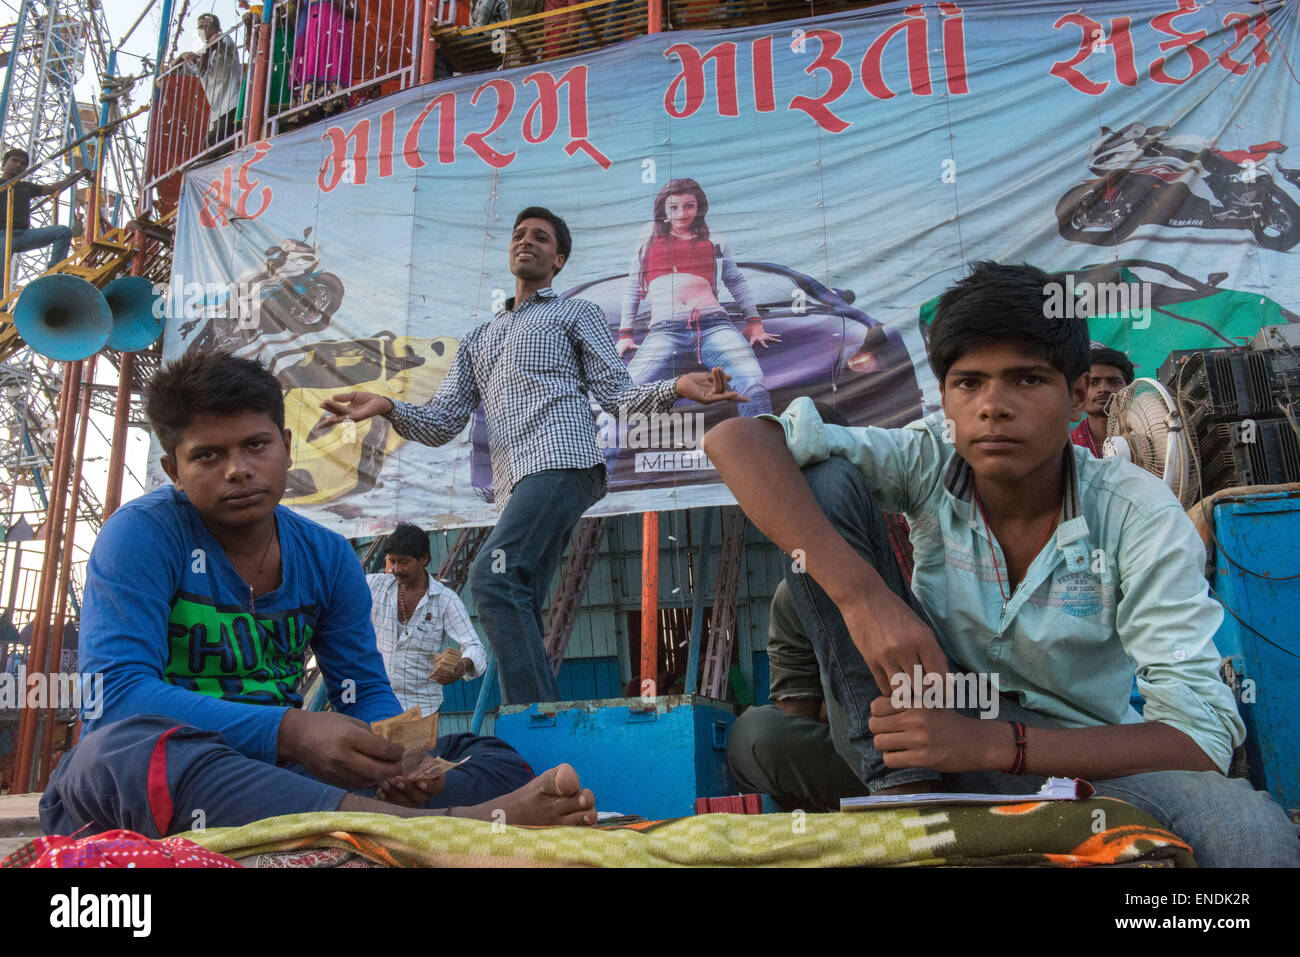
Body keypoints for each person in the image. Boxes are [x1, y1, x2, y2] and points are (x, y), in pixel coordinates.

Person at [702, 261, 1300, 866]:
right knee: (821, 489)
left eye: (1026, 381)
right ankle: (908, 801)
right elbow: (735, 441)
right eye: (969, 383)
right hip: (926, 742)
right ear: (945, 399)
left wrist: (994, 745)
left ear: (1076, 396)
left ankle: (936, 813)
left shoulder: (1135, 512)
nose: (993, 406)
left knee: (1248, 828)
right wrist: (865, 601)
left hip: (1070, 766)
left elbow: (1201, 740)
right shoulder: (929, 459)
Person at [41, 351, 599, 838]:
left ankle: (389, 814)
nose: (238, 470)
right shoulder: (140, 535)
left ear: (285, 447)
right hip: (167, 772)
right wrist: (288, 730)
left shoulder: (327, 556)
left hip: (283, 780)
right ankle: (448, 830)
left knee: (486, 755)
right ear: (174, 470)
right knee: (117, 754)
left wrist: (393, 756)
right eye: (208, 455)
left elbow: (362, 691)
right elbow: (115, 698)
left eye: (256, 445)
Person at [321, 206, 744, 706]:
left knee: (490, 577)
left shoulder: (573, 313)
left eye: (541, 238)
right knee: (518, 597)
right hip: (515, 485)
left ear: (558, 259)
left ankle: (531, 717)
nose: (527, 242)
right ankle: (552, 730)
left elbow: (618, 397)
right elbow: (442, 423)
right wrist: (388, 407)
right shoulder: (479, 339)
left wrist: (676, 385)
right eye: (520, 235)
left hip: (562, 463)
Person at [618, 178, 777, 417]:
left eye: (689, 206)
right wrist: (625, 333)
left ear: (699, 206)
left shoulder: (715, 239)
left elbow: (735, 281)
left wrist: (754, 323)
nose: (682, 213)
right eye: (674, 207)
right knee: (625, 394)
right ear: (663, 208)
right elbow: (633, 285)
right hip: (665, 330)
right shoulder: (649, 235)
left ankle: (760, 450)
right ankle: (599, 455)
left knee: (752, 382)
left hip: (714, 326)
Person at [367, 523, 487, 713]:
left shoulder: (445, 600)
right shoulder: (375, 586)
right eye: (393, 561)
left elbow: (475, 647)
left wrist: (462, 666)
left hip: (422, 708)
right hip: (378, 702)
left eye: (404, 562)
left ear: (424, 559)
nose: (396, 569)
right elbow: (339, 588)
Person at [0, 149, 88, 270]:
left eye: (23, 164)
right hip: (2, 235)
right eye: (15, 160)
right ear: (4, 164)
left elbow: (52, 189)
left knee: (63, 232)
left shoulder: (26, 187)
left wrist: (76, 176)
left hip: (23, 235)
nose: (19, 165)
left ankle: (53, 271)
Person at [177, 13, 244, 148]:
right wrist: (181, 57)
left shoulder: (226, 40)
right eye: (200, 27)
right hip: (217, 114)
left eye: (206, 26)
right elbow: (173, 69)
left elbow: (218, 41)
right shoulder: (201, 60)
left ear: (216, 28)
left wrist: (207, 51)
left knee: (210, 144)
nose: (203, 30)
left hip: (233, 105)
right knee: (218, 149)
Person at [1071, 345, 1135, 457]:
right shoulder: (1066, 452)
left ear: (1129, 392)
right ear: (1079, 394)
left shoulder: (1152, 442)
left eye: (1114, 382)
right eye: (1093, 383)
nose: (1103, 389)